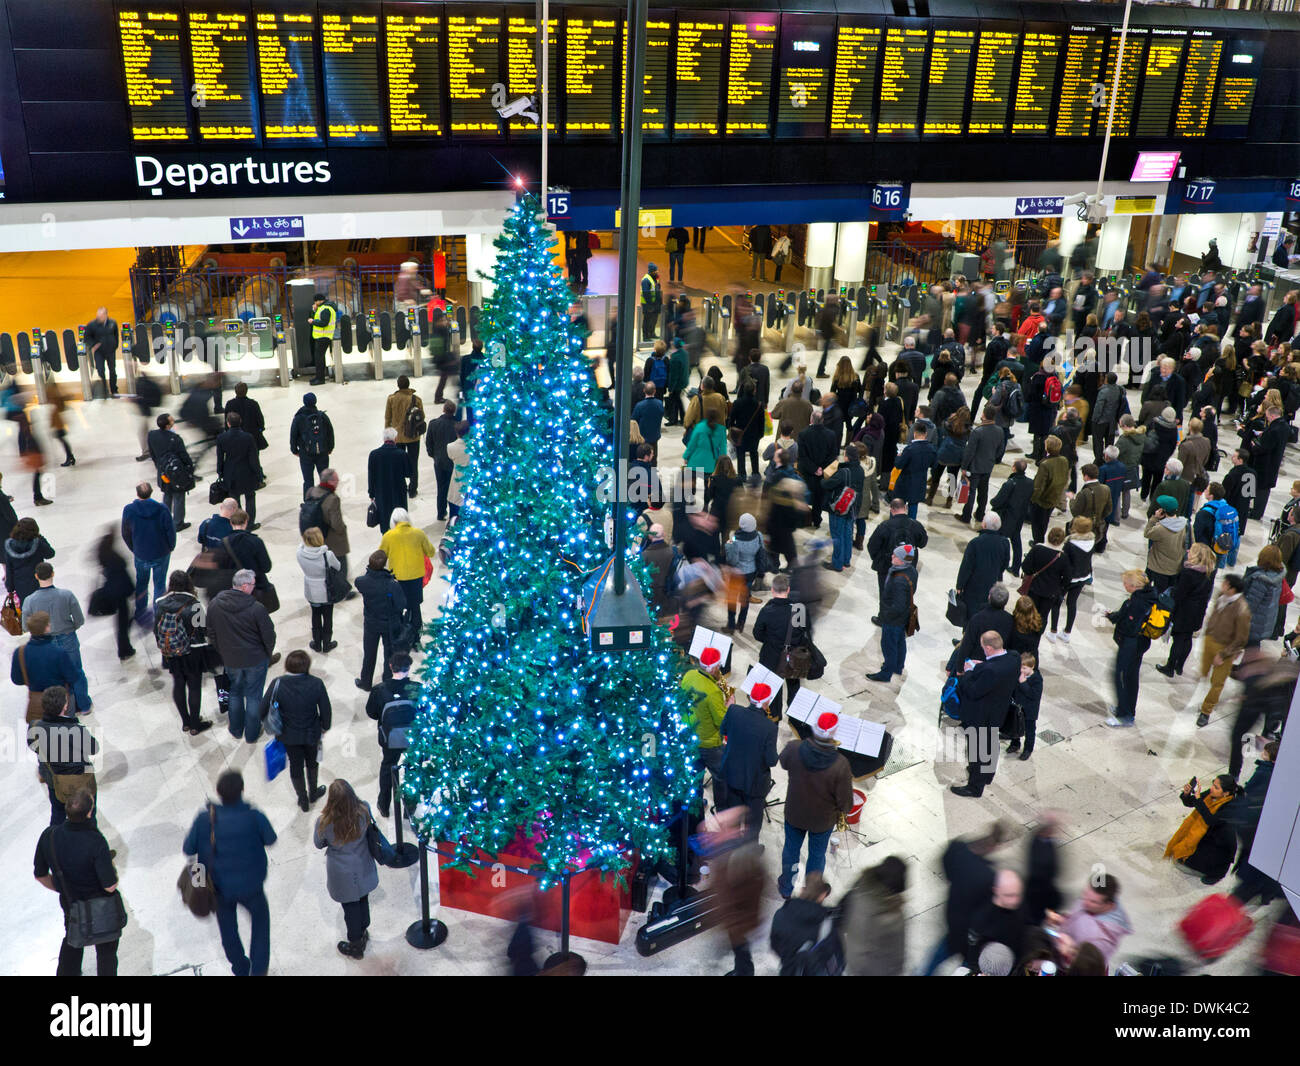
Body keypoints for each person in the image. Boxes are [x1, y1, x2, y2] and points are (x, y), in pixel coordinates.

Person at [183, 771, 276, 976]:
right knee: (260, 926)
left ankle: (241, 968)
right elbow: (270, 838)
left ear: (218, 792)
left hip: (218, 888)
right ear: (242, 790)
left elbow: (188, 849)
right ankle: (258, 971)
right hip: (252, 887)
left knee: (228, 931)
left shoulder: (204, 820)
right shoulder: (253, 816)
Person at [33, 787, 119, 975]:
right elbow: (110, 886)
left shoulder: (49, 835)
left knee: (73, 940)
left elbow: (40, 874)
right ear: (89, 813)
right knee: (106, 952)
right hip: (101, 907)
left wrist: (61, 887)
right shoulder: (96, 841)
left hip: (71, 903)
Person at [776, 711, 853, 899]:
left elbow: (783, 763)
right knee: (817, 856)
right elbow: (846, 803)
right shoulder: (841, 765)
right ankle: (811, 893)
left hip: (795, 813)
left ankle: (787, 886)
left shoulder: (794, 748)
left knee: (791, 850)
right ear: (834, 733)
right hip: (822, 821)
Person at [922, 823, 1011, 975]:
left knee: (937, 957)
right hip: (970, 936)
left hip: (953, 924)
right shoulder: (989, 877)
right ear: (996, 846)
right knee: (968, 965)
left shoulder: (959, 848)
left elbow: (945, 862)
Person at [206, 570, 277, 743]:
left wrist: (222, 651)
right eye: (252, 585)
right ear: (245, 586)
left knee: (235, 693)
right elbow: (269, 636)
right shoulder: (256, 608)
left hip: (231, 660)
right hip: (255, 660)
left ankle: (236, 729)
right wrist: (267, 654)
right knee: (254, 696)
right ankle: (252, 734)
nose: (254, 588)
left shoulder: (215, 604)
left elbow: (211, 633)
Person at [314, 779, 380, 960]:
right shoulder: (364, 810)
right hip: (363, 865)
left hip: (341, 873)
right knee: (363, 897)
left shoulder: (324, 822)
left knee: (350, 907)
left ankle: (355, 944)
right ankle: (364, 927)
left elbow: (318, 844)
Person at [951, 632, 1020, 798]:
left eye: (983, 647)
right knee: (991, 745)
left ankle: (975, 787)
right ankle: (987, 775)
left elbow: (973, 691)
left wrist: (968, 672)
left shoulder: (989, 670)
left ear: (988, 648)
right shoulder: (1013, 657)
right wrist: (980, 666)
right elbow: (996, 671)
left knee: (977, 750)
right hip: (998, 712)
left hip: (981, 715)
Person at [263, 649, 331, 812]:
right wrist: (325, 727)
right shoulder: (316, 683)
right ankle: (314, 793)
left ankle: (303, 799)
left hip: (288, 736)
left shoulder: (277, 684)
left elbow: (262, 709)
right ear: (307, 665)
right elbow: (326, 710)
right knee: (312, 762)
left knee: (295, 765)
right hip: (312, 733)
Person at [22, 563, 91, 715]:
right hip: (67, 637)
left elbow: (26, 627)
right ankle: (84, 705)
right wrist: (70, 627)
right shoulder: (67, 595)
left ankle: (63, 709)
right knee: (76, 672)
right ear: (53, 574)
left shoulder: (29, 601)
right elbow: (79, 619)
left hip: (45, 643)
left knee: (55, 677)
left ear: (36, 576)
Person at [152, 571, 214, 735]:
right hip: (192, 653)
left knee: (178, 684)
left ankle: (186, 722)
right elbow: (203, 630)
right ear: (188, 584)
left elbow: (155, 629)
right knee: (194, 687)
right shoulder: (194, 605)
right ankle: (195, 725)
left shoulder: (160, 604)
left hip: (171, 652)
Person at [28, 686, 98, 827]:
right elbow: (94, 748)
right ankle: (94, 844)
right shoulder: (74, 729)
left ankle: (54, 842)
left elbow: (33, 746)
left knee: (58, 813)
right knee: (89, 815)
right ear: (65, 706)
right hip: (80, 779)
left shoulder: (34, 726)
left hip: (54, 780)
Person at [366, 652, 421, 819]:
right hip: (412, 738)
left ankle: (384, 804)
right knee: (413, 769)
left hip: (389, 738)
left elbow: (372, 713)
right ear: (409, 668)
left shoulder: (379, 690)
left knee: (388, 766)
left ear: (390, 666)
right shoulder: (417, 689)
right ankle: (409, 808)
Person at [719, 682, 779, 832]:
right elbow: (771, 760)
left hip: (732, 776)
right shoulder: (770, 727)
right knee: (752, 827)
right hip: (754, 783)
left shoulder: (733, 711)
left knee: (733, 819)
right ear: (767, 702)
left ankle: (730, 848)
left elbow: (723, 730)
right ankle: (749, 853)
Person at [1196, 572, 1252, 727]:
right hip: (1210, 639)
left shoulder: (1242, 610)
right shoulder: (1221, 596)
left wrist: (1224, 654)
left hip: (1225, 648)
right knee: (1204, 670)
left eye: (1225, 584)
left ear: (1232, 589)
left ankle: (1206, 711)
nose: (1222, 585)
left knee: (1217, 682)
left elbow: (1241, 639)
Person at [1105, 570, 1158, 727]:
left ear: (1134, 586)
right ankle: (1127, 709)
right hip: (1141, 642)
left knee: (1120, 675)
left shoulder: (1137, 602)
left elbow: (1130, 624)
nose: (1124, 586)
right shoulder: (1148, 595)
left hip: (1132, 643)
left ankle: (1125, 715)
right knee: (1131, 676)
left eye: (1126, 584)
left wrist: (1119, 622)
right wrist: (1114, 616)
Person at [1165, 775, 1240, 885]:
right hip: (1207, 836)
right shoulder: (1212, 795)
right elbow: (1191, 802)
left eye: (1216, 787)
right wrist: (1186, 793)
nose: (1212, 788)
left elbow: (1211, 820)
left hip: (1218, 845)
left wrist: (1199, 799)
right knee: (1182, 857)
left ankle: (1217, 874)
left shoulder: (1230, 807)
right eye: (1213, 785)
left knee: (1188, 861)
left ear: (1226, 793)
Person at [1044, 875, 1132, 967]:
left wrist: (1071, 951)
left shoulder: (1104, 939)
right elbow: (1078, 916)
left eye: (1093, 902)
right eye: (1085, 894)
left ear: (1109, 905)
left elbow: (1087, 968)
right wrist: (1062, 919)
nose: (1084, 903)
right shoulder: (1090, 901)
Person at [840, 857, 907, 976]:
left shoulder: (859, 887)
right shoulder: (893, 917)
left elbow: (842, 914)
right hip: (871, 968)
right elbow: (897, 955)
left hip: (850, 956)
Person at [1156, 543, 1216, 678]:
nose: (1188, 551)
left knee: (1178, 639)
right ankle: (1179, 666)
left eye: (1191, 550)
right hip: (1198, 611)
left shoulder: (1189, 573)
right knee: (1187, 638)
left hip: (1184, 611)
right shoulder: (1208, 572)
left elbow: (1179, 594)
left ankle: (1170, 667)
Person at [121, 481, 176, 623]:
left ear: (137, 493)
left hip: (141, 553)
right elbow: (170, 530)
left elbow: (125, 533)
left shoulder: (129, 510)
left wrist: (134, 548)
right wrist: (170, 546)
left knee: (142, 583)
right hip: (161, 552)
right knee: (159, 584)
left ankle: (140, 612)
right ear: (151, 492)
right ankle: (159, 614)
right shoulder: (162, 509)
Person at [681, 646, 729, 806]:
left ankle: (696, 806)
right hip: (709, 743)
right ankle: (722, 810)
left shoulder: (689, 675)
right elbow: (722, 722)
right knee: (721, 777)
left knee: (695, 776)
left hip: (689, 736)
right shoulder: (713, 692)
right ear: (714, 667)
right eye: (719, 667)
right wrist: (729, 706)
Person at [379, 508, 436, 635]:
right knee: (415, 606)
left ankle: (401, 637)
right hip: (416, 577)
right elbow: (431, 552)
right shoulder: (418, 533)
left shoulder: (388, 536)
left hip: (397, 578)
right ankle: (416, 638)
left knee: (398, 607)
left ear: (393, 521)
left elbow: (381, 556)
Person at [354, 550, 405, 692]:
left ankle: (366, 682)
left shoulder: (361, 582)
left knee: (369, 653)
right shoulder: (392, 585)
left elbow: (362, 582)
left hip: (371, 623)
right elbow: (401, 604)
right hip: (389, 625)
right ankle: (387, 682)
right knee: (389, 654)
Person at [869, 544, 918, 683]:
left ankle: (886, 673)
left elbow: (898, 605)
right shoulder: (911, 570)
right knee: (899, 642)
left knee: (888, 645)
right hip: (903, 617)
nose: (892, 556)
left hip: (893, 619)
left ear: (902, 560)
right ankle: (897, 667)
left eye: (895, 556)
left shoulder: (899, 580)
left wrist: (886, 614)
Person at [821, 444, 866, 572]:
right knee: (847, 533)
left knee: (837, 535)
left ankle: (837, 563)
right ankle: (846, 560)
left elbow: (827, 484)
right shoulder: (860, 470)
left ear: (847, 457)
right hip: (853, 508)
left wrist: (822, 479)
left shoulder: (843, 471)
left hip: (840, 507)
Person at [955, 514, 1011, 617]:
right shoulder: (1005, 543)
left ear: (984, 525)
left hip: (973, 586)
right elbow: (1005, 564)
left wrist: (960, 585)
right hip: (994, 585)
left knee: (971, 616)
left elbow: (966, 567)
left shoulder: (975, 543)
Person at [957, 410, 1005, 526]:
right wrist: (992, 459)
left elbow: (970, 451)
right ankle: (980, 515)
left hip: (974, 467)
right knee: (983, 492)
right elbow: (1000, 450)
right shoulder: (1000, 431)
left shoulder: (977, 432)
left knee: (971, 492)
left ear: (983, 415)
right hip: (988, 466)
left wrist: (964, 467)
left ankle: (966, 516)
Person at [298, 527, 342, 653]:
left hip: (311, 590)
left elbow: (300, 547)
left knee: (315, 615)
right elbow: (338, 567)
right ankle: (327, 643)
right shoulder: (327, 555)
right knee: (328, 617)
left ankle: (317, 643)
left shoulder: (300, 553)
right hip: (326, 590)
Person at [148, 412, 195, 530]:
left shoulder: (152, 435)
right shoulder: (175, 439)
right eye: (171, 420)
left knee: (167, 494)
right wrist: (189, 467)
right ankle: (178, 523)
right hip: (175, 471)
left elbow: (152, 453)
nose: (173, 420)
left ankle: (164, 519)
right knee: (179, 495)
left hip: (162, 469)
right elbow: (183, 455)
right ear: (168, 425)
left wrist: (158, 466)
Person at [93, 531, 135, 661]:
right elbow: (124, 578)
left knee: (122, 622)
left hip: (112, 593)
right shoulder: (115, 560)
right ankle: (124, 649)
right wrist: (132, 590)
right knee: (124, 622)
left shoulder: (103, 556)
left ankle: (125, 647)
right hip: (120, 595)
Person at [303, 469, 351, 581]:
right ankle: (342, 589)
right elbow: (336, 524)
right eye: (336, 479)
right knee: (340, 563)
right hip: (332, 538)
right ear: (330, 481)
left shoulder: (311, 491)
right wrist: (343, 530)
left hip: (317, 535)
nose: (338, 481)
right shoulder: (332, 499)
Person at [216, 412, 261, 529]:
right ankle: (250, 524)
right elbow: (253, 458)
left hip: (230, 474)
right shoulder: (248, 437)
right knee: (250, 497)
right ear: (240, 422)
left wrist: (220, 472)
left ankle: (239, 524)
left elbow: (220, 458)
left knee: (235, 501)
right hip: (247, 473)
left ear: (228, 423)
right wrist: (258, 473)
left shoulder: (221, 438)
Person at [990, 458, 1034, 576]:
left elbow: (999, 500)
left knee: (1000, 541)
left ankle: (997, 565)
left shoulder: (1010, 483)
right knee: (1016, 541)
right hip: (1020, 516)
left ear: (1014, 468)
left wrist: (992, 502)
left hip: (1007, 516)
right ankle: (1015, 568)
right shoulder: (1030, 483)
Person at [384, 375, 426, 498]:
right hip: (413, 436)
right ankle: (412, 489)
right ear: (408, 384)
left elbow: (388, 418)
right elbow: (421, 416)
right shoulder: (416, 399)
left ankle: (400, 487)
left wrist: (388, 435)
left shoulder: (391, 399)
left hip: (397, 437)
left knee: (398, 463)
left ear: (398, 385)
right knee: (413, 462)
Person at [289, 393, 334, 500]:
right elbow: (330, 432)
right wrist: (330, 448)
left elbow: (293, 435)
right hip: (322, 452)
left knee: (308, 480)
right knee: (324, 478)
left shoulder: (299, 418)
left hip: (305, 453)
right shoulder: (322, 416)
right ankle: (326, 500)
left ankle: (309, 503)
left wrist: (294, 450)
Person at [4, 516, 55, 606]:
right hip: (38, 581)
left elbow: (9, 569)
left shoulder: (9, 546)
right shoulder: (38, 543)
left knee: (27, 608)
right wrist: (40, 537)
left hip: (20, 584)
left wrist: (10, 588)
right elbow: (50, 554)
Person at [368, 427, 411, 533]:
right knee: (399, 518)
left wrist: (371, 494)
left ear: (383, 439)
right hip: (398, 492)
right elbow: (408, 473)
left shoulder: (374, 454)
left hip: (381, 493)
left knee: (384, 519)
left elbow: (371, 476)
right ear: (395, 439)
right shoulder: (401, 454)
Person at [1029, 436, 1069, 544]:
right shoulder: (1064, 460)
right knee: (1044, 521)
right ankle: (1039, 541)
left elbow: (1038, 486)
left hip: (1042, 500)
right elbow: (1065, 478)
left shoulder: (1045, 464)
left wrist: (1032, 499)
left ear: (1047, 447)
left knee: (1037, 524)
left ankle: (1037, 544)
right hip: (1054, 497)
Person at [1143, 495, 1187, 594]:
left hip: (1157, 568)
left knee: (1149, 592)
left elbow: (1147, 533)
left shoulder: (1160, 529)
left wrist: (1155, 518)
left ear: (1164, 511)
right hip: (1175, 569)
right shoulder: (1186, 525)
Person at [426, 400, 460, 521]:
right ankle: (454, 514)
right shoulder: (457, 425)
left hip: (439, 461)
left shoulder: (433, 424)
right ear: (454, 411)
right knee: (454, 489)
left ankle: (441, 513)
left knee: (441, 487)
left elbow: (428, 442)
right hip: (453, 461)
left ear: (443, 410)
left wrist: (433, 455)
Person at [1005, 652, 1042, 760]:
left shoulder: (1037, 679)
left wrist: (1023, 682)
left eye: (1025, 668)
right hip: (1017, 707)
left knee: (1029, 731)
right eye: (1020, 667)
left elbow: (1033, 695)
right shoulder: (1018, 674)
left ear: (1032, 667)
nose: (1022, 670)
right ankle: (1015, 744)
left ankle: (1028, 749)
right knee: (1014, 727)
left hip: (1029, 711)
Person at [83, 307, 119, 397]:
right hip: (99, 352)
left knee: (112, 370)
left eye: (101, 316)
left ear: (105, 315)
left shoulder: (112, 323)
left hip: (110, 351)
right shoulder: (92, 325)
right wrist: (93, 345)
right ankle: (104, 388)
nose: (98, 318)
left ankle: (114, 389)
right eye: (98, 316)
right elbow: (86, 337)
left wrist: (115, 345)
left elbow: (116, 335)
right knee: (100, 370)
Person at [309, 294, 337, 385]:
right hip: (322, 336)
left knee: (319, 359)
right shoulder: (324, 307)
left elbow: (324, 323)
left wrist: (313, 321)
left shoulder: (325, 308)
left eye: (315, 301)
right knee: (320, 358)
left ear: (319, 301)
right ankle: (319, 377)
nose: (314, 303)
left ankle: (320, 379)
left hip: (323, 337)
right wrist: (315, 310)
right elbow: (319, 317)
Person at [640, 262, 662, 340]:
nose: (657, 272)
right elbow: (646, 294)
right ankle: (645, 336)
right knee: (647, 320)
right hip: (647, 304)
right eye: (655, 271)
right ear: (651, 271)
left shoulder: (655, 279)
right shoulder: (646, 280)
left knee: (654, 319)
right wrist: (650, 305)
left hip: (655, 303)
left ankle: (652, 333)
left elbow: (658, 289)